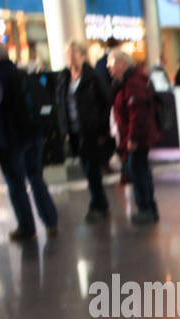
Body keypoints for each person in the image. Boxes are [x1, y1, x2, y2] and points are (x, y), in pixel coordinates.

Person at [0, 40, 58, 242]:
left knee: (16, 184)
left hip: (11, 140)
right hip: (33, 134)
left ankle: (26, 226)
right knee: (36, 178)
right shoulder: (20, 72)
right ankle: (51, 220)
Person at [56, 40, 111, 224]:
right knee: (87, 168)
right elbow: (61, 103)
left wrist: (102, 128)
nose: (71, 58)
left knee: (92, 168)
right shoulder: (64, 78)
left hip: (91, 130)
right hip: (73, 130)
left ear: (83, 55)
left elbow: (105, 103)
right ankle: (99, 202)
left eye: (74, 54)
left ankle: (99, 204)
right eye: (68, 55)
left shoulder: (92, 77)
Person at [108, 51, 161, 226]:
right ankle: (149, 208)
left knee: (137, 170)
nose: (109, 67)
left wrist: (132, 138)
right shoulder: (129, 82)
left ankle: (145, 209)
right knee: (140, 170)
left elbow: (137, 113)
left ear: (123, 64)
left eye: (112, 63)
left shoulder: (133, 83)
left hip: (138, 138)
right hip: (138, 136)